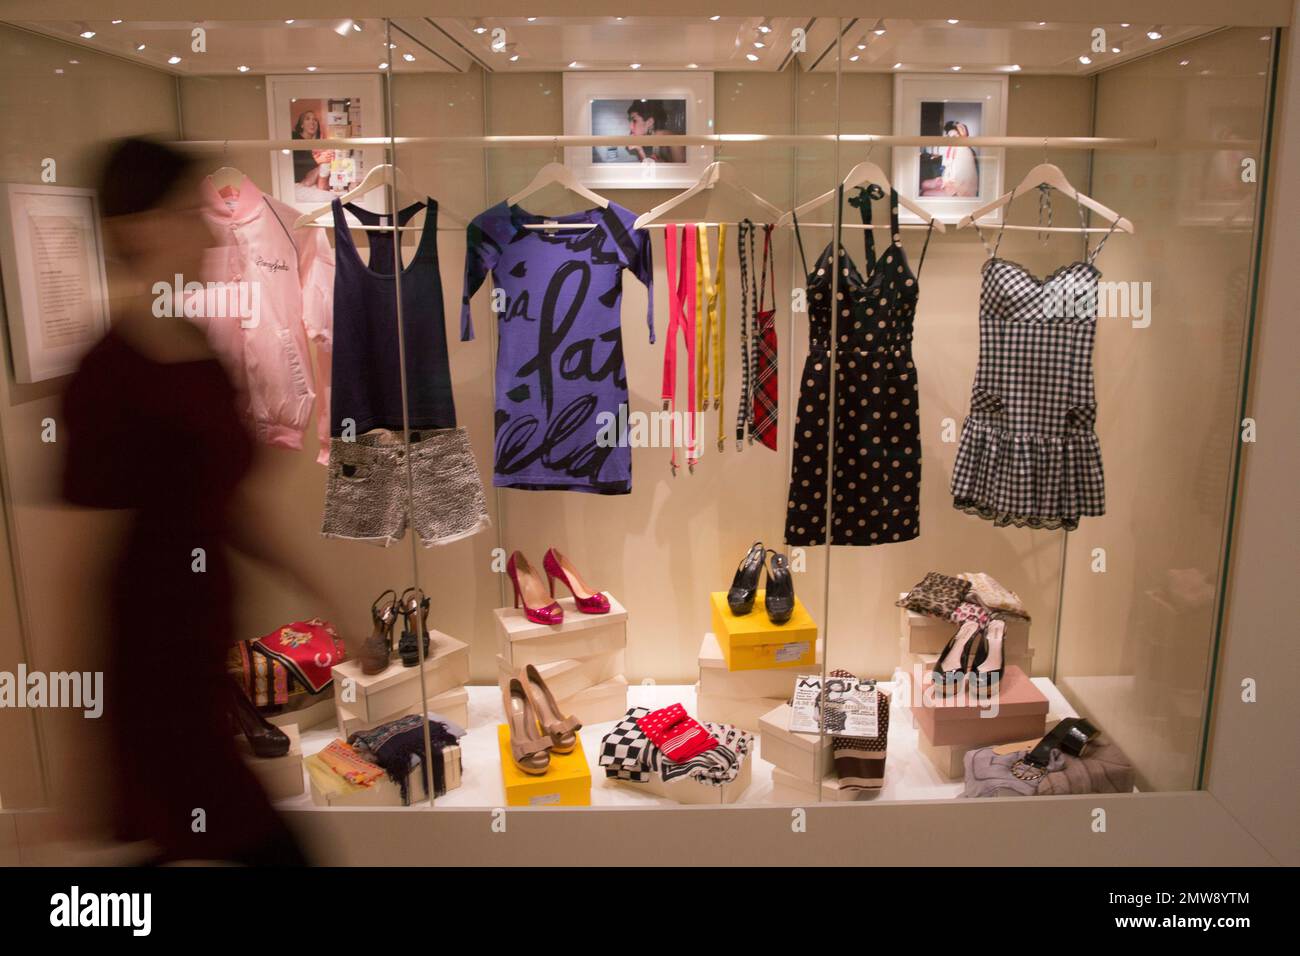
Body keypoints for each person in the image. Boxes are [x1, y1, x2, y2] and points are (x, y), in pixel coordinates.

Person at [61, 137, 337, 866]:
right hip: (152, 672)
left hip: (204, 656)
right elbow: (79, 569)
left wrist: (317, 588)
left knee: (201, 842)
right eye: (186, 211)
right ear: (134, 228)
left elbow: (227, 505)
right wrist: (77, 728)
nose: (206, 227)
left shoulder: (196, 351)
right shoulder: (107, 377)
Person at [291, 108, 330, 189]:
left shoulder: (313, 145)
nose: (312, 122)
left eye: (315, 120)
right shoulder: (294, 139)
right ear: (301, 125)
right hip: (295, 187)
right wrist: (318, 160)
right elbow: (295, 165)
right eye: (307, 119)